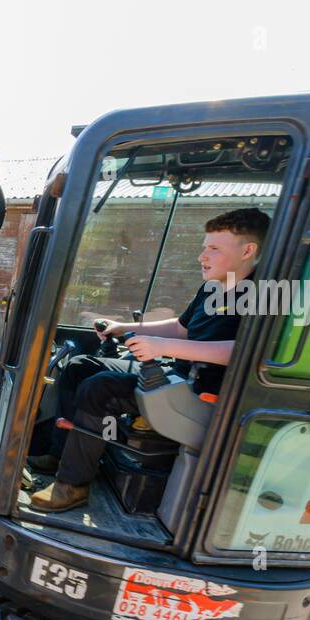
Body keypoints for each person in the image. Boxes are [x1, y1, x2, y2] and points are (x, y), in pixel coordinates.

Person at [28, 207, 271, 513]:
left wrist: (161, 347)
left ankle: (72, 486)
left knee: (101, 388)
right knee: (80, 367)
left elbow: (246, 351)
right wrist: (125, 327)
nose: (202, 256)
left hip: (205, 396)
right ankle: (61, 455)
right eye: (203, 246)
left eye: (213, 248)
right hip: (179, 373)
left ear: (248, 250)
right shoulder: (212, 287)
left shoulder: (266, 292)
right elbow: (181, 329)